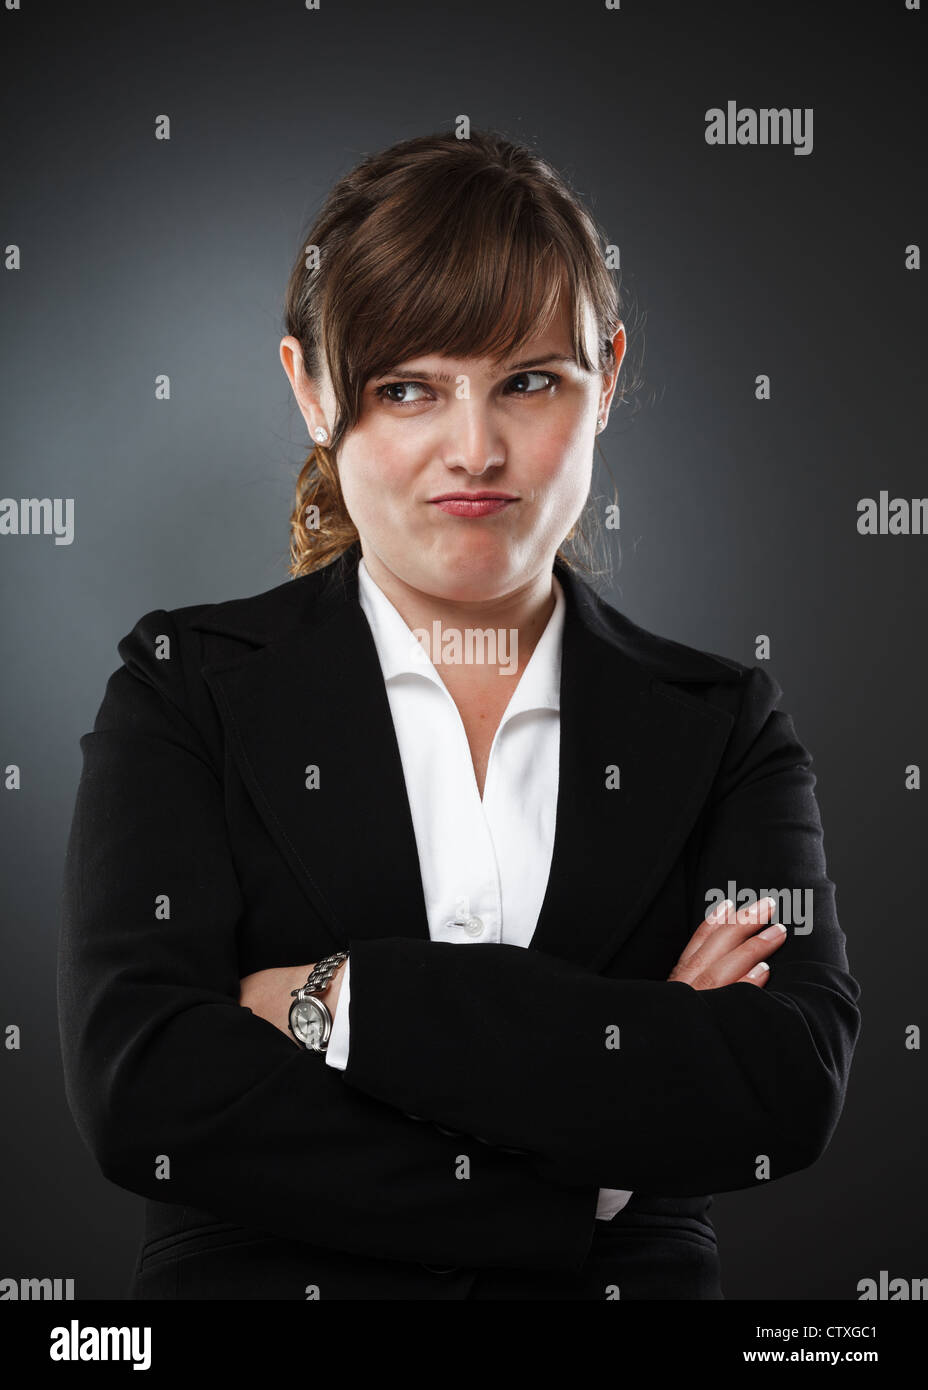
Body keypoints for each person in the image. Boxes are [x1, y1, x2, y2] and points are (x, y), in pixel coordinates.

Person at [58, 129, 861, 1301]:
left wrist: (337, 1001)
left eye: (528, 380)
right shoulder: (185, 686)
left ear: (609, 379)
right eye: (407, 389)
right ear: (312, 390)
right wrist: (602, 1124)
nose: (474, 449)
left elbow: (783, 1083)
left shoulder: (717, 720)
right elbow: (145, 1089)